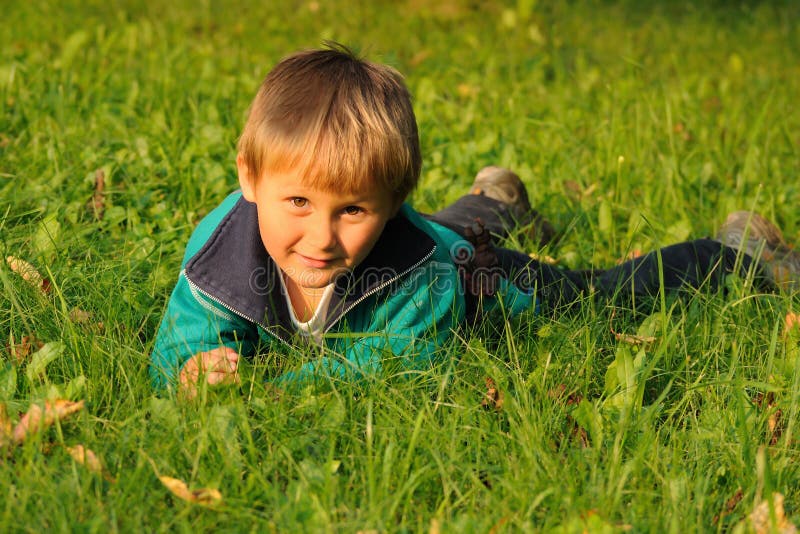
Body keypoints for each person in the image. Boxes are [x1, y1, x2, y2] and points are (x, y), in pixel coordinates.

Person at [149, 44, 799, 395]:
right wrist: (190, 373)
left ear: (392, 200)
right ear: (250, 178)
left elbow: (386, 372)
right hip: (429, 237)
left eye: (352, 210)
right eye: (298, 203)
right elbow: (179, 342)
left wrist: (266, 395)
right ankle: (499, 202)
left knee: (599, 295)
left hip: (483, 280)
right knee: (444, 230)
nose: (321, 237)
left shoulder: (424, 275)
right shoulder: (219, 254)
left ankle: (734, 254)